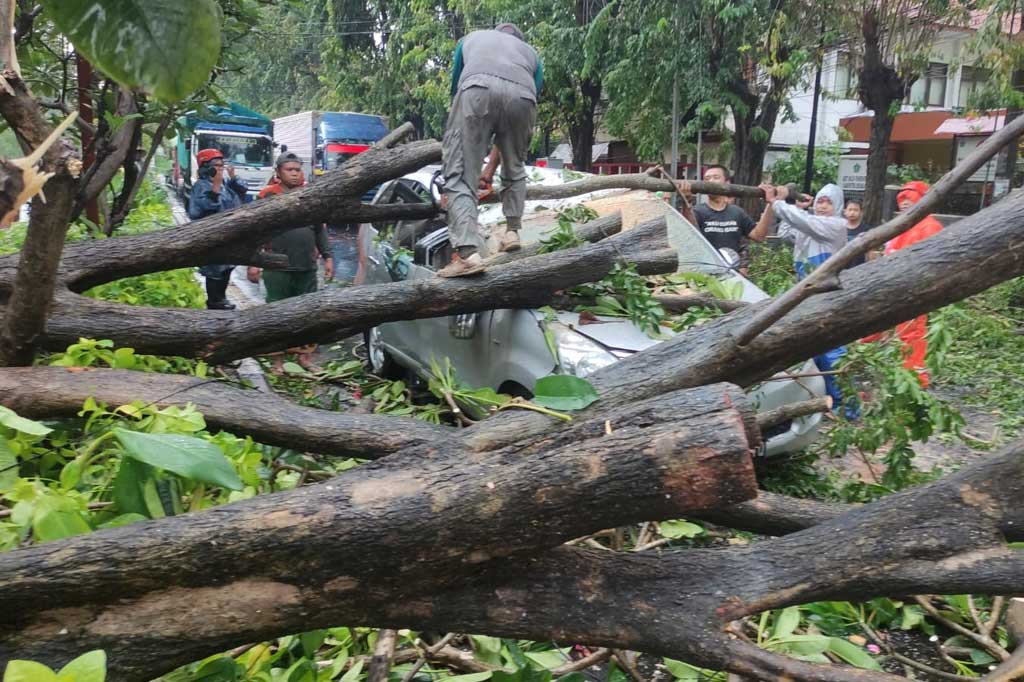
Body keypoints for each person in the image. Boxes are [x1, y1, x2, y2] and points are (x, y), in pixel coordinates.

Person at [436, 23, 544, 278]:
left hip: (475, 90)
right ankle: (512, 232)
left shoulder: (471, 39)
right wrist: (491, 168)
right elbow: (514, 115)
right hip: (524, 99)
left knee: (460, 173)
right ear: (519, 39)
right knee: (515, 166)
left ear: (496, 32)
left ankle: (467, 254)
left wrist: (469, 152)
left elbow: (457, 90)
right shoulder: (532, 56)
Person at [759, 182, 854, 416]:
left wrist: (779, 202)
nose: (822, 206)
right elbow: (786, 232)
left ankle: (848, 408)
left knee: (833, 352)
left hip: (827, 295)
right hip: (806, 292)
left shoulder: (835, 226)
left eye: (827, 202)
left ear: (838, 206)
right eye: (819, 201)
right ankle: (829, 401)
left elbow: (806, 222)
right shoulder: (812, 225)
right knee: (815, 350)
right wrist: (793, 206)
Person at [247, 152, 334, 372]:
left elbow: (319, 230)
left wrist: (328, 257)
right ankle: (277, 360)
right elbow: (255, 231)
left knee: (307, 314)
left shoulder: (311, 195)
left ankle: (305, 358)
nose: (295, 174)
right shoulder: (267, 196)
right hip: (277, 266)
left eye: (298, 169)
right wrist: (253, 262)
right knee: (276, 313)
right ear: (278, 173)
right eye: (290, 170)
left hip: (306, 265)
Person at [863, 181, 944, 387]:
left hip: (914, 291)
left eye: (910, 198)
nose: (905, 203)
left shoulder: (930, 226)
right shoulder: (902, 224)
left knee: (911, 333)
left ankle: (914, 379)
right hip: (892, 288)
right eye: (902, 199)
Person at [677, 165, 768, 275]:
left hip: (733, 275)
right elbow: (690, 237)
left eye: (716, 177)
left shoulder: (737, 212)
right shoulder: (697, 211)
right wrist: (686, 202)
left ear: (727, 183)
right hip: (706, 275)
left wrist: (771, 204)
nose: (711, 181)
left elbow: (759, 236)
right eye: (707, 179)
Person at [188, 148, 249, 310]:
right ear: (206, 167)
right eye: (216, 165)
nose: (220, 168)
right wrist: (215, 186)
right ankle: (214, 301)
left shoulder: (225, 184)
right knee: (214, 269)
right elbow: (203, 208)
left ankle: (222, 298)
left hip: (229, 236)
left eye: (222, 165)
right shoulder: (201, 186)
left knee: (227, 267)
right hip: (212, 237)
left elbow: (243, 190)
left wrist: (233, 176)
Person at [843, 199, 874, 267]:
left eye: (855, 210)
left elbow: (870, 251)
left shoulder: (866, 229)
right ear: (845, 211)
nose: (852, 212)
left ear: (861, 212)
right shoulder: (840, 229)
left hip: (859, 266)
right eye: (850, 209)